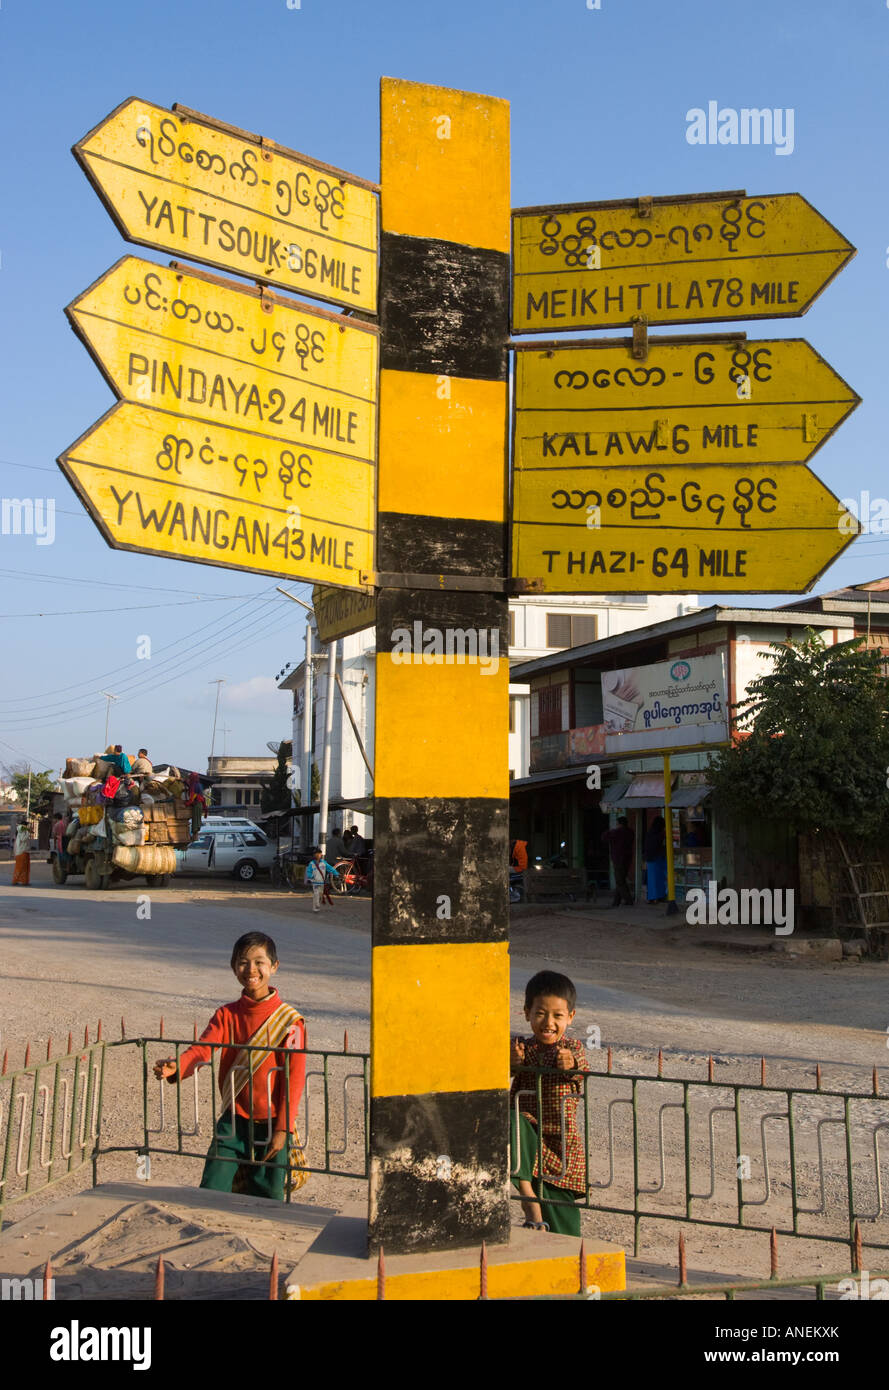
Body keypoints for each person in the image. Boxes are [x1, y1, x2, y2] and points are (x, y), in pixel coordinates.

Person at [153, 933, 305, 1201]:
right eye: (243, 962)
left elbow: (293, 1078)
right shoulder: (226, 1015)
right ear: (233, 967)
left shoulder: (290, 1022)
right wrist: (178, 1066)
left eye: (259, 962)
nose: (251, 970)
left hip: (271, 1125)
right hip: (232, 1122)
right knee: (212, 1189)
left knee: (267, 1197)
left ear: (274, 966)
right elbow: (203, 1048)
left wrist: (283, 1129)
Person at [510, 969, 589, 1236]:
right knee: (511, 1120)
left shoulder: (571, 1047)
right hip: (527, 1138)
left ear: (570, 1017)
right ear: (527, 1012)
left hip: (559, 1145)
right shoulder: (521, 1047)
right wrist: (512, 1063)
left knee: (564, 1227)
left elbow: (580, 1069)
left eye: (557, 1015)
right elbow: (498, 1074)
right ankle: (528, 1199)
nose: (548, 1022)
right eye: (541, 1013)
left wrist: (570, 1064)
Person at [601, 816, 634, 906]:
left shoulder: (617, 832)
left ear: (619, 824)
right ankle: (616, 901)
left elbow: (604, 836)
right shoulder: (630, 832)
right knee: (621, 879)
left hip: (618, 859)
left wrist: (612, 830)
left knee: (620, 880)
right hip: (627, 858)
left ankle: (628, 900)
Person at [644, 815, 668, 903]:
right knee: (660, 879)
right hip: (657, 858)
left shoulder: (650, 832)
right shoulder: (659, 834)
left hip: (650, 859)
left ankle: (652, 897)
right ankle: (660, 896)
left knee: (652, 879)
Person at [12, 821, 31, 885]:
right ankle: (16, 880)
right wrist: (28, 833)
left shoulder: (21, 830)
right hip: (22, 851)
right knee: (21, 867)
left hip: (23, 850)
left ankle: (24, 881)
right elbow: (23, 839)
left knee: (24, 867)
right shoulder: (22, 831)